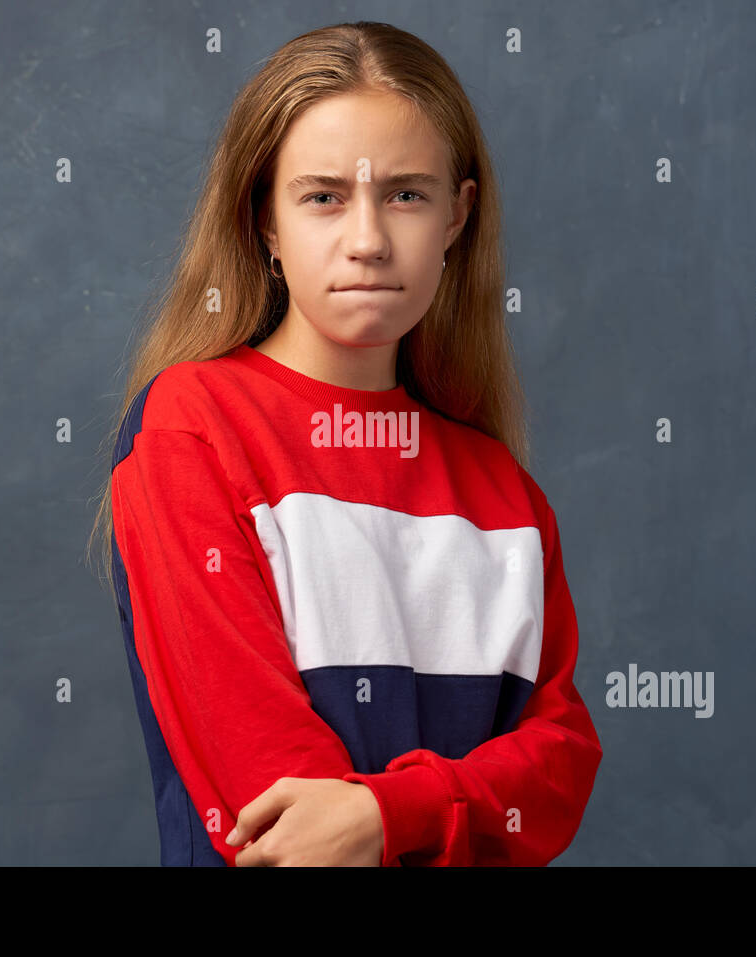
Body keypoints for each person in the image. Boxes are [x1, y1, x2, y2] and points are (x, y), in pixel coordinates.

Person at [87, 20, 602, 866]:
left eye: (405, 194)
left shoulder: (504, 492)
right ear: (264, 219)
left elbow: (559, 767)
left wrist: (385, 814)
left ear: (456, 216)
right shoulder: (191, 427)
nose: (366, 240)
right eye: (323, 196)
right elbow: (278, 810)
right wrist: (441, 806)